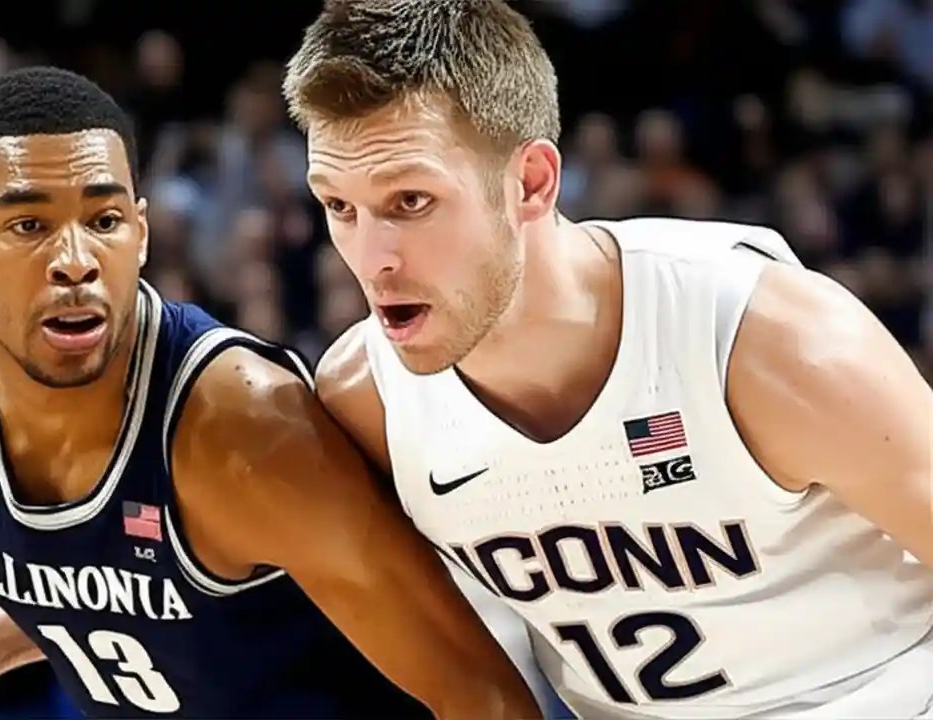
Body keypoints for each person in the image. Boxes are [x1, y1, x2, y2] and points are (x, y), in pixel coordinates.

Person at [0, 67, 541, 720]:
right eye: (29, 225)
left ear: (142, 234)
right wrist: (13, 631)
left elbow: (486, 699)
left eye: (104, 220)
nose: (74, 260)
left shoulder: (242, 433)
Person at [282, 1, 933, 718]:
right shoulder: (365, 401)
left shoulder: (769, 343)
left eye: (411, 200)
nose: (372, 259)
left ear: (531, 183)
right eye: (339, 207)